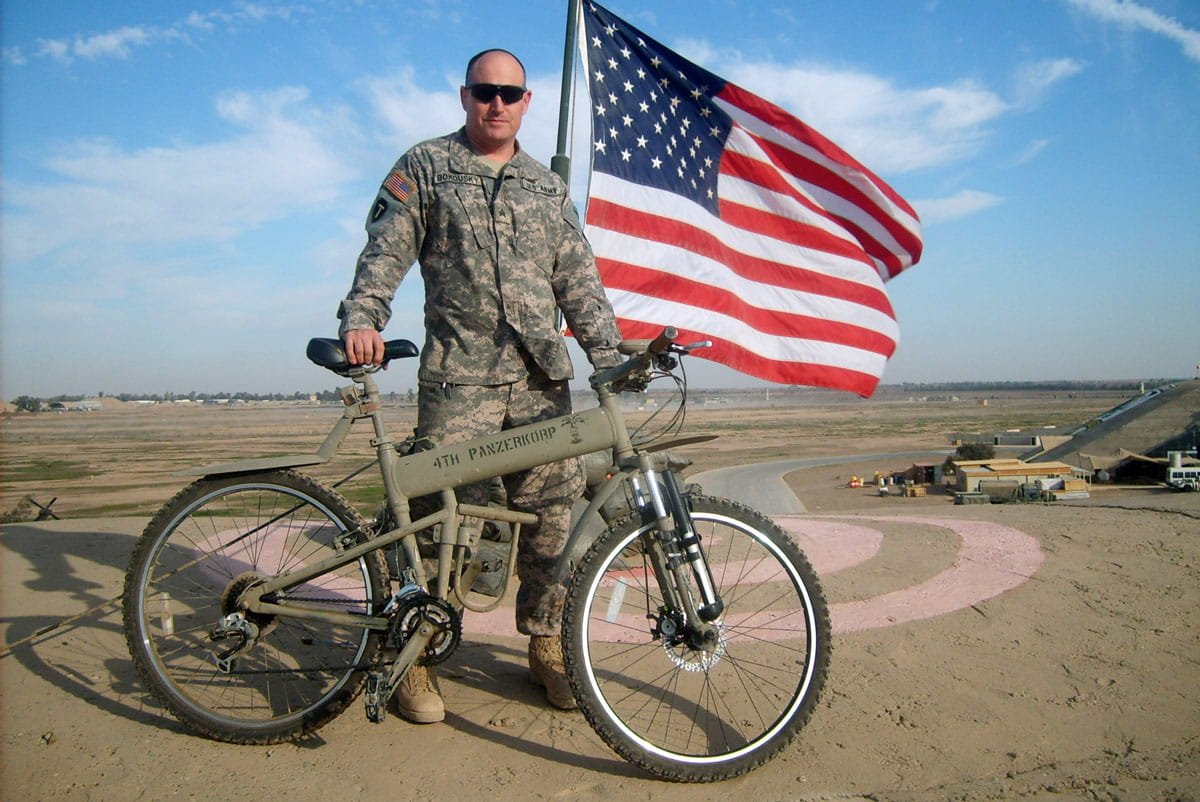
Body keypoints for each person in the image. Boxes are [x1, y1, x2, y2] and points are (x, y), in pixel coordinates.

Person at [337, 48, 623, 723]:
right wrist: (362, 316)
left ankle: (546, 644)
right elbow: (385, 250)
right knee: (442, 524)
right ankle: (418, 654)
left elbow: (577, 277)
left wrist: (607, 350)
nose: (495, 103)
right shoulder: (427, 166)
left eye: (509, 93)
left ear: (527, 102)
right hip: (459, 381)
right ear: (465, 97)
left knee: (552, 518)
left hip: (538, 382)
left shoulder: (546, 187)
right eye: (482, 91)